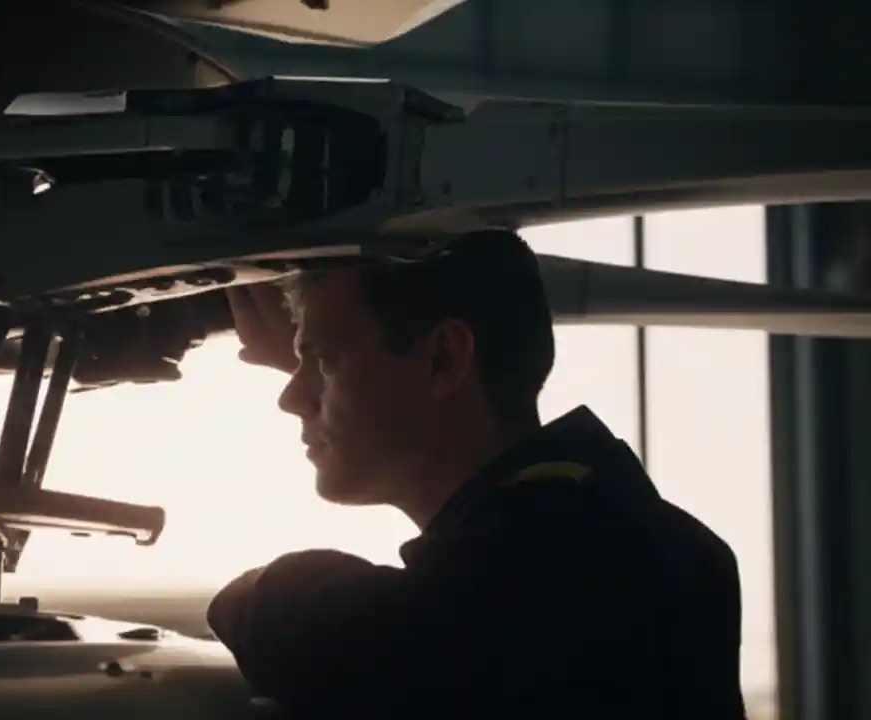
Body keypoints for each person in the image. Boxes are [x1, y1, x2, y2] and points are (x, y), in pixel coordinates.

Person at [207, 228, 747, 719]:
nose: (290, 397)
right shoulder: (631, 535)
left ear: (444, 359)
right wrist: (325, 354)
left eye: (321, 363)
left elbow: (291, 618)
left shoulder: (538, 587)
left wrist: (258, 596)